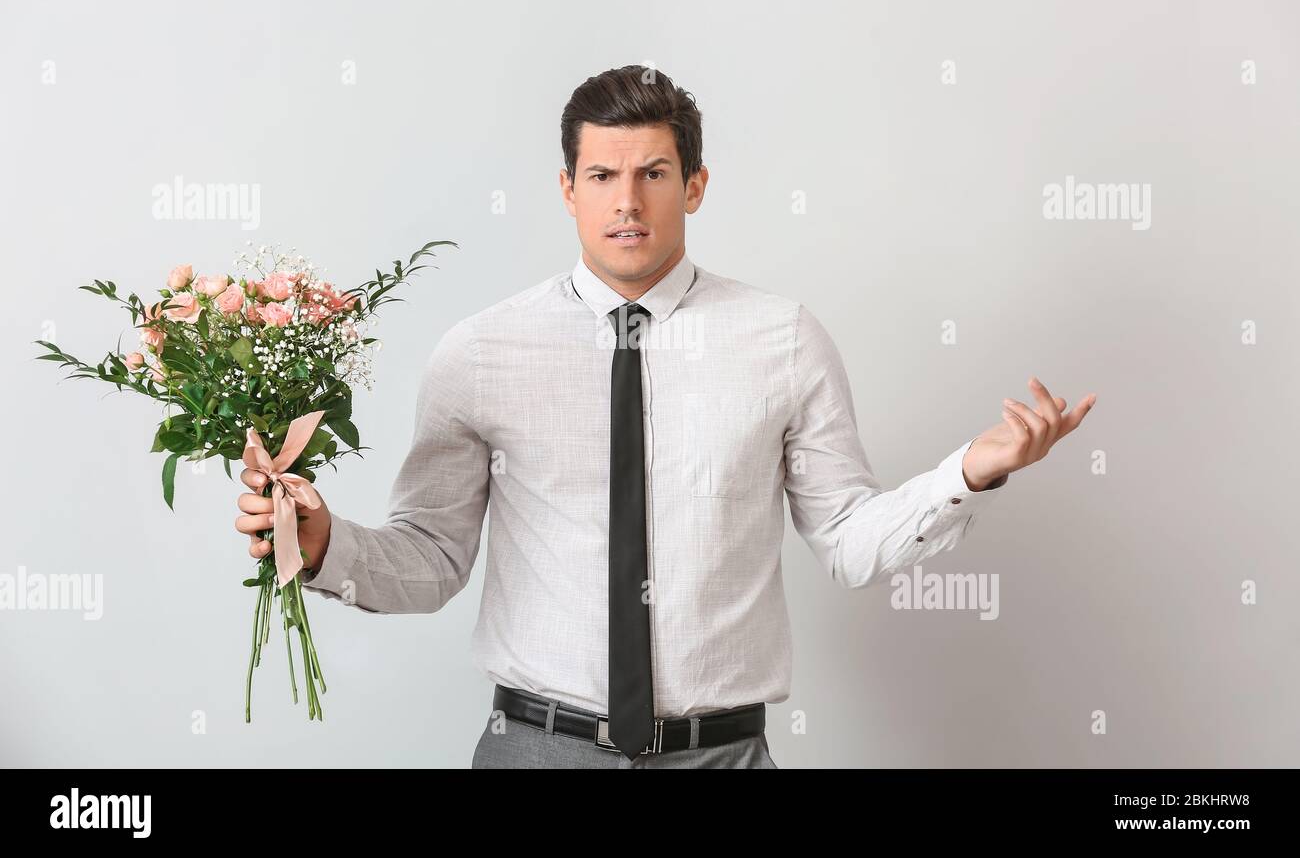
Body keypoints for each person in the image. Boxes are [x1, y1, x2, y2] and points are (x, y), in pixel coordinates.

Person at [234, 64, 1096, 769]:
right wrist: (318, 545)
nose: (628, 203)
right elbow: (430, 560)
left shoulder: (783, 340)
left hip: (719, 756)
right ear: (567, 189)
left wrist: (969, 472)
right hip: (538, 751)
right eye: (603, 176)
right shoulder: (481, 351)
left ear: (696, 184)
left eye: (653, 174)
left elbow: (848, 542)